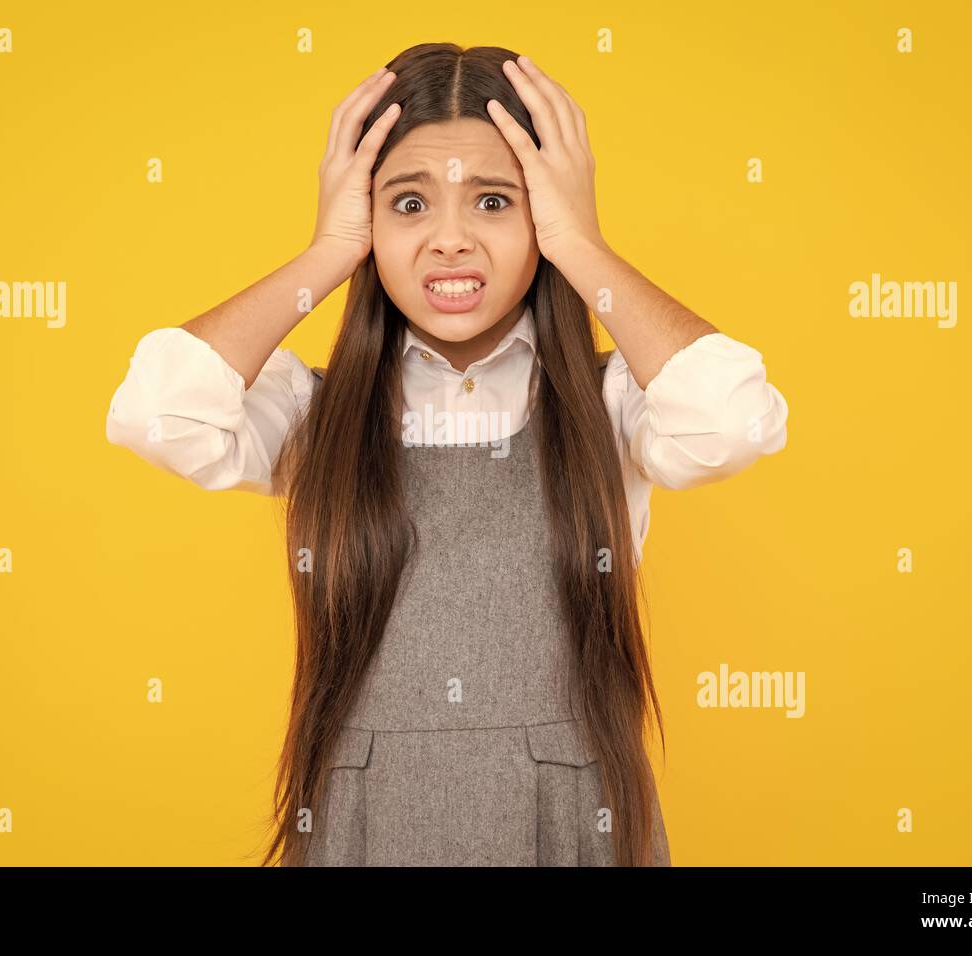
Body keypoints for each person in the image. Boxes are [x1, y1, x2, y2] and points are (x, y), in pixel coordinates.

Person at [106, 42, 789, 866]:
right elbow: (154, 411)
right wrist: (327, 253)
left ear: (545, 211)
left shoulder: (613, 405)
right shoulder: (314, 414)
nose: (450, 241)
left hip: (572, 834)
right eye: (409, 205)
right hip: (365, 834)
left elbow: (737, 418)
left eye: (495, 201)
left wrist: (581, 245)